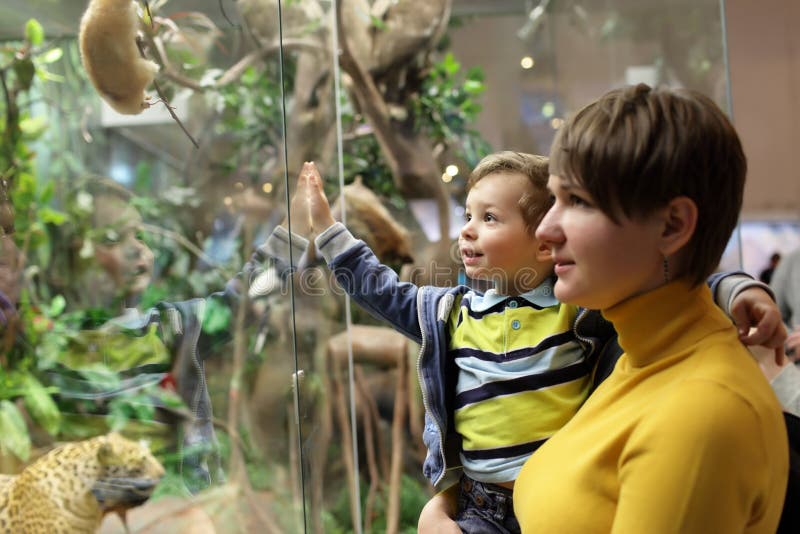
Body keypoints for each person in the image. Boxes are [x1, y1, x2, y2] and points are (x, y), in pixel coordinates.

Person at [291, 154, 784, 533]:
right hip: (479, 506)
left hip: (550, 501)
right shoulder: (451, 312)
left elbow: (668, 282)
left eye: (489, 218)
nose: (467, 228)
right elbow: (381, 290)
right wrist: (330, 231)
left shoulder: (577, 310)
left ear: (544, 245)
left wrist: (738, 288)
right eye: (468, 213)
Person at [513, 83, 788, 532]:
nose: (545, 229)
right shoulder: (636, 359)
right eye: (554, 199)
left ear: (673, 225)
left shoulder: (702, 412)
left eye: (577, 201)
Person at [45, 176, 308, 490]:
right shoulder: (54, 344)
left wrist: (294, 233)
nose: (137, 250)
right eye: (114, 238)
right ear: (74, 258)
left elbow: (239, 300)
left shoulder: (170, 325)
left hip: (174, 505)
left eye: (139, 236)